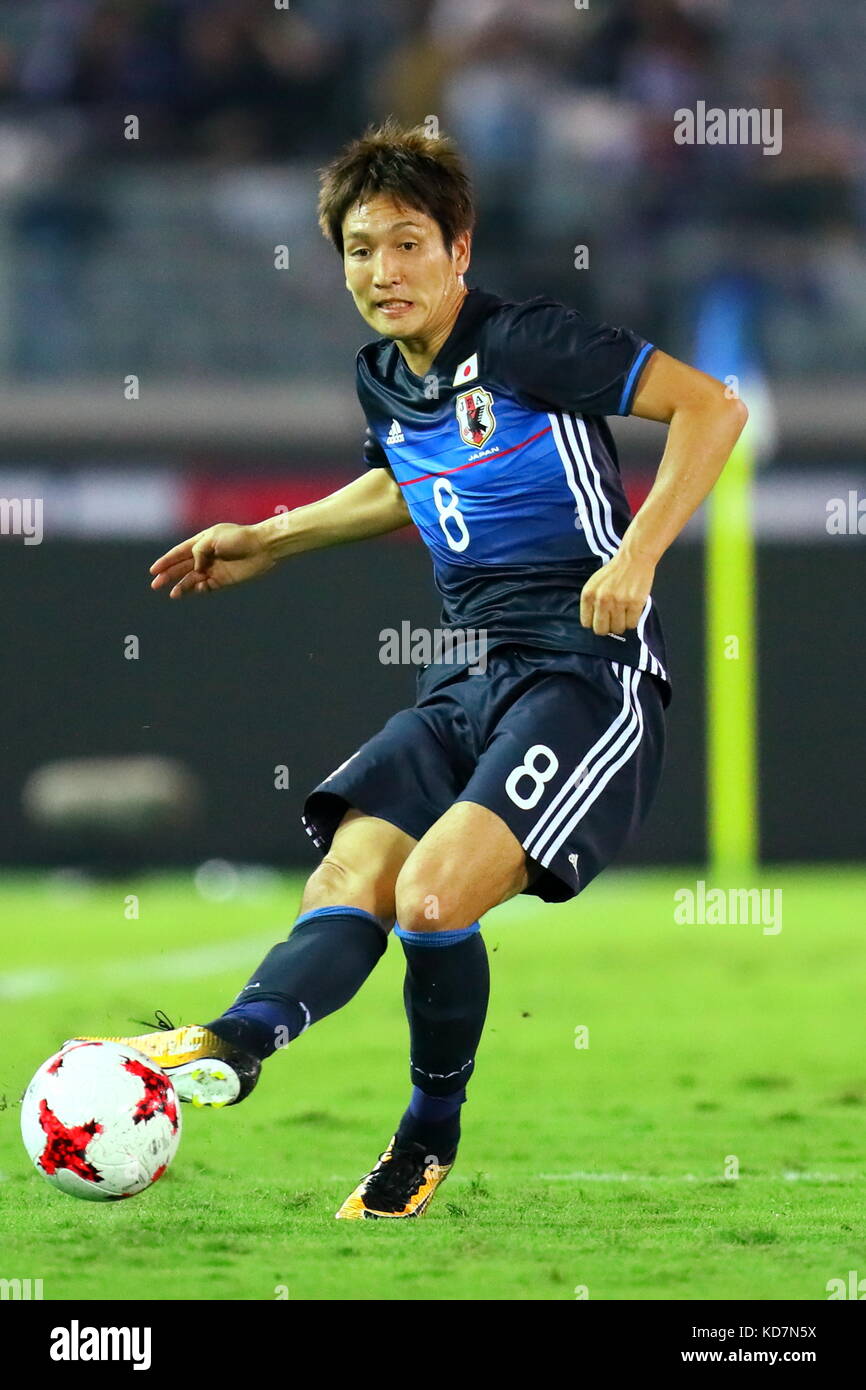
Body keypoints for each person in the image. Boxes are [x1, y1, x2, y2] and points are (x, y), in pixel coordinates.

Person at [73, 120, 747, 1220]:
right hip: (464, 677)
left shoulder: (527, 341)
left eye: (404, 244)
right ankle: (235, 1043)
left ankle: (425, 1137)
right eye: (356, 249)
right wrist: (267, 536)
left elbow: (712, 406)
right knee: (350, 876)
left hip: (582, 672)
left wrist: (637, 555)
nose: (380, 272)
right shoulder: (382, 376)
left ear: (457, 249)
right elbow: (399, 484)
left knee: (432, 897)